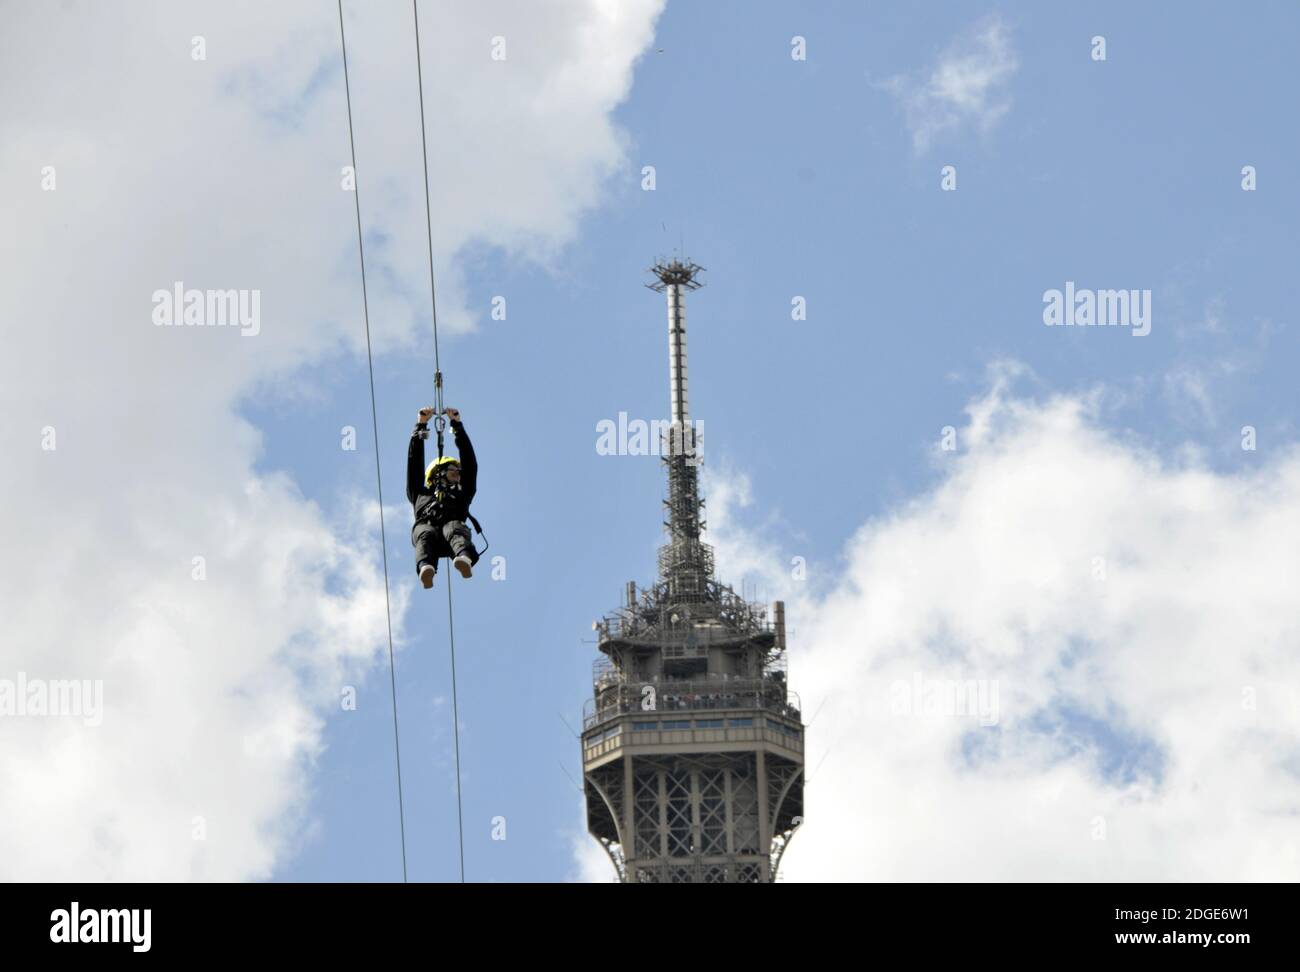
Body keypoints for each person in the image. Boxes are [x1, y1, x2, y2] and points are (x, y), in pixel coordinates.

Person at [407, 405, 479, 589]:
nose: (459, 473)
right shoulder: (419, 493)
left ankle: (463, 558)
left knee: (453, 526)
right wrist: (421, 425)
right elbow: (414, 463)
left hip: (453, 540)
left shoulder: (463, 491)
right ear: (438, 473)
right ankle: (426, 568)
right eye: (454, 469)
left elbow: (470, 464)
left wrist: (457, 426)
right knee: (425, 531)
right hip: (428, 540)